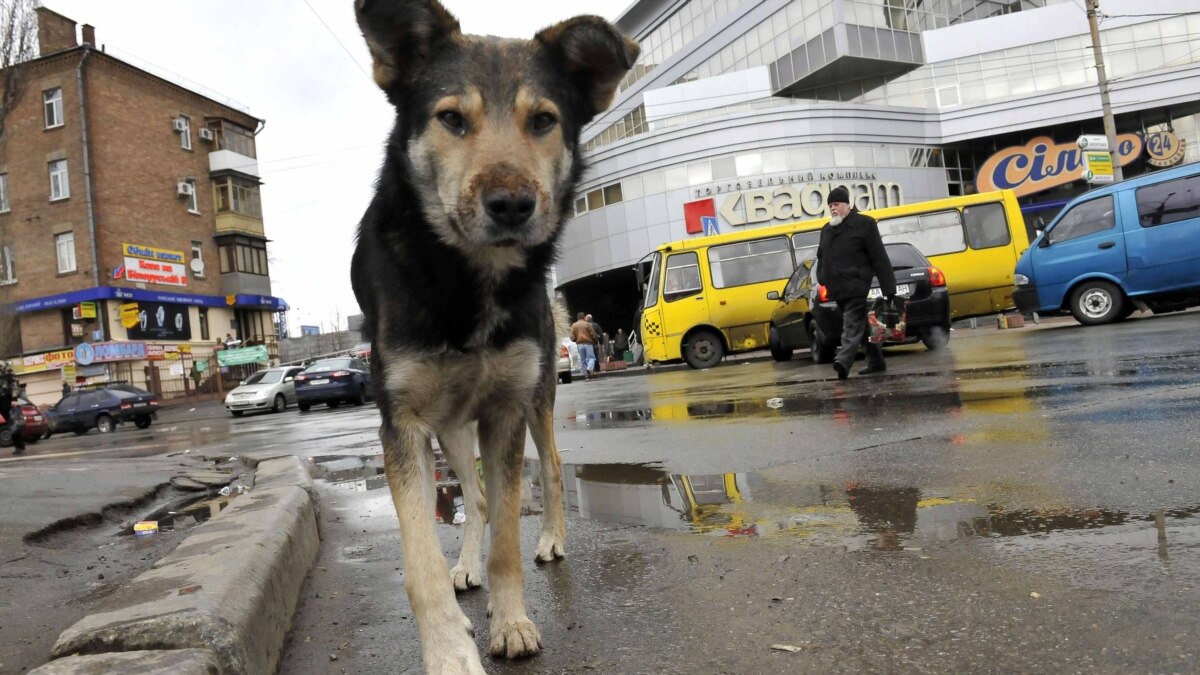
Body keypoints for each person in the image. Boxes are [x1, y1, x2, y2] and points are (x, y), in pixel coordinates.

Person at [816, 186, 896, 380]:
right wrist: (822, 277)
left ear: (847, 205)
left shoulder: (865, 224)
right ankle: (876, 362)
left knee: (851, 325)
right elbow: (822, 256)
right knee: (862, 327)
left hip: (857, 286)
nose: (833, 209)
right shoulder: (827, 230)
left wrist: (889, 288)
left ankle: (843, 361)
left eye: (836, 204)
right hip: (838, 289)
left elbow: (879, 256)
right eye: (830, 205)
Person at [0, 363, 24, 455]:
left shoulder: (3, 365)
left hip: (6, 398)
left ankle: (19, 446)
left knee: (12, 421)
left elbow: (14, 381)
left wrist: (14, 398)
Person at [570, 312, 598, 379]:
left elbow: (571, 336)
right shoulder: (587, 324)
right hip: (588, 343)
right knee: (591, 358)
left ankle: (586, 376)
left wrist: (575, 340)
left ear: (578, 317)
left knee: (583, 360)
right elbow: (593, 334)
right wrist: (595, 341)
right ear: (584, 317)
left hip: (579, 344)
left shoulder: (574, 325)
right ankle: (589, 368)